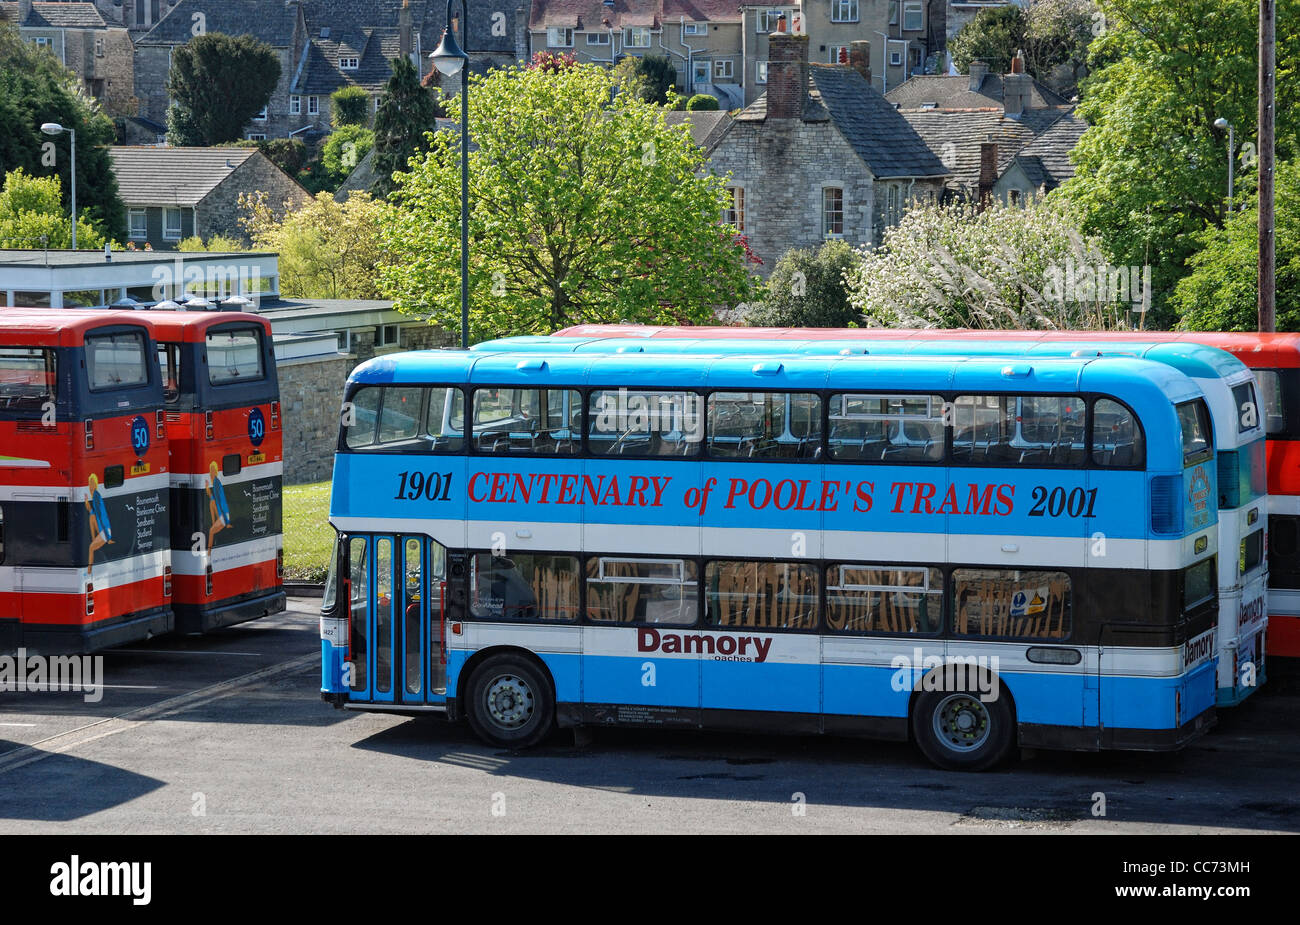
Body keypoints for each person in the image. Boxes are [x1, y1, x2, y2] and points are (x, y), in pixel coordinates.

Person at [85, 473, 113, 577]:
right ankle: (94, 539)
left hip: (105, 531)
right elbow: (92, 512)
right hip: (103, 530)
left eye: (92, 483)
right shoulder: (94, 496)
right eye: (90, 483)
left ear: (95, 484)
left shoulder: (96, 496)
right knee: (91, 517)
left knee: (91, 548)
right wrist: (86, 502)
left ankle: (88, 571)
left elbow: (101, 517)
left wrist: (108, 537)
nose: (91, 485)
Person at [206, 461, 231, 553]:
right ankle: (214, 523)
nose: (211, 473)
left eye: (213, 470)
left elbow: (221, 502)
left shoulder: (216, 483)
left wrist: (226, 521)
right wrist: (207, 489)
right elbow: (213, 499)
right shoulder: (215, 482)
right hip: (222, 514)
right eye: (210, 470)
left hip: (224, 515)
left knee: (211, 531)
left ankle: (209, 552)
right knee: (211, 503)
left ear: (215, 472)